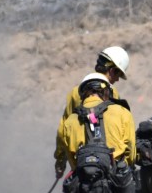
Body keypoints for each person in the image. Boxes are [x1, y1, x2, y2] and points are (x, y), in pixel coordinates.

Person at [55, 46, 130, 179]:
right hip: (106, 164)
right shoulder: (111, 92)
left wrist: (60, 161)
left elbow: (64, 130)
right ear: (112, 70)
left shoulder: (74, 92)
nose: (117, 80)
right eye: (118, 74)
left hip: (82, 164)